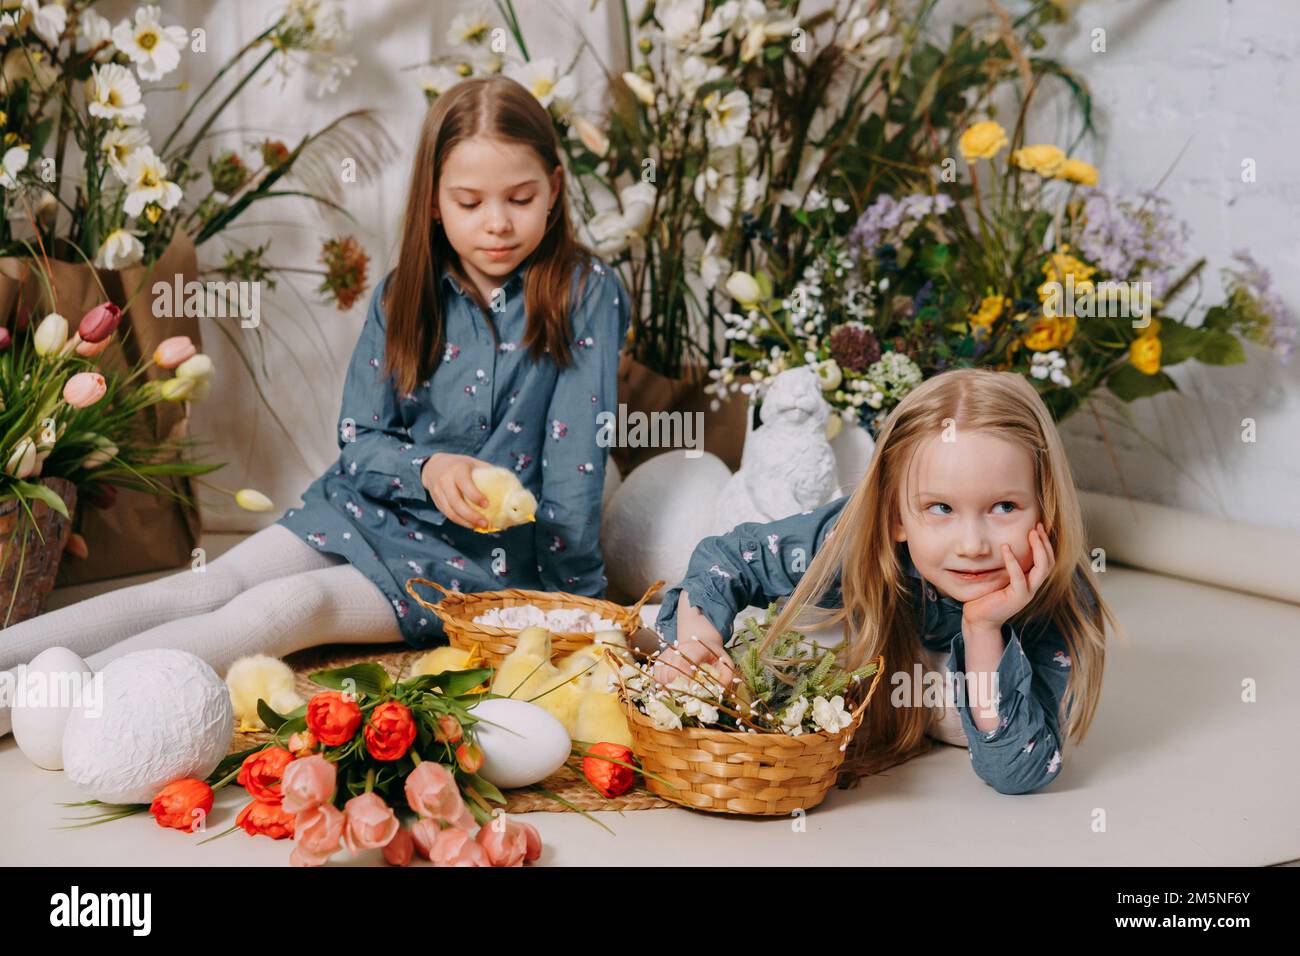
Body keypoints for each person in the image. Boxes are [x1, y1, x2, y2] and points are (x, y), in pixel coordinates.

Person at [0, 75, 631, 737]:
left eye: (521, 198)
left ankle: (45, 707)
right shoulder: (403, 293)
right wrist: (428, 470)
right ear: (435, 203)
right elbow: (360, 445)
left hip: (467, 565)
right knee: (205, 588)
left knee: (289, 606)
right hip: (357, 508)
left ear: (555, 190)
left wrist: (577, 611)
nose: (497, 222)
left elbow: (574, 472)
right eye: (470, 202)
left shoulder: (586, 292)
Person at [651, 368, 1124, 794]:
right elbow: (729, 557)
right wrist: (699, 644)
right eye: (941, 508)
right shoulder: (857, 539)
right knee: (768, 628)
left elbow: (1017, 769)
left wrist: (983, 630)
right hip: (848, 595)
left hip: (938, 663)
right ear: (896, 517)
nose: (973, 544)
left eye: (1004, 507)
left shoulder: (1060, 595)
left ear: (1046, 506)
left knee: (965, 715)